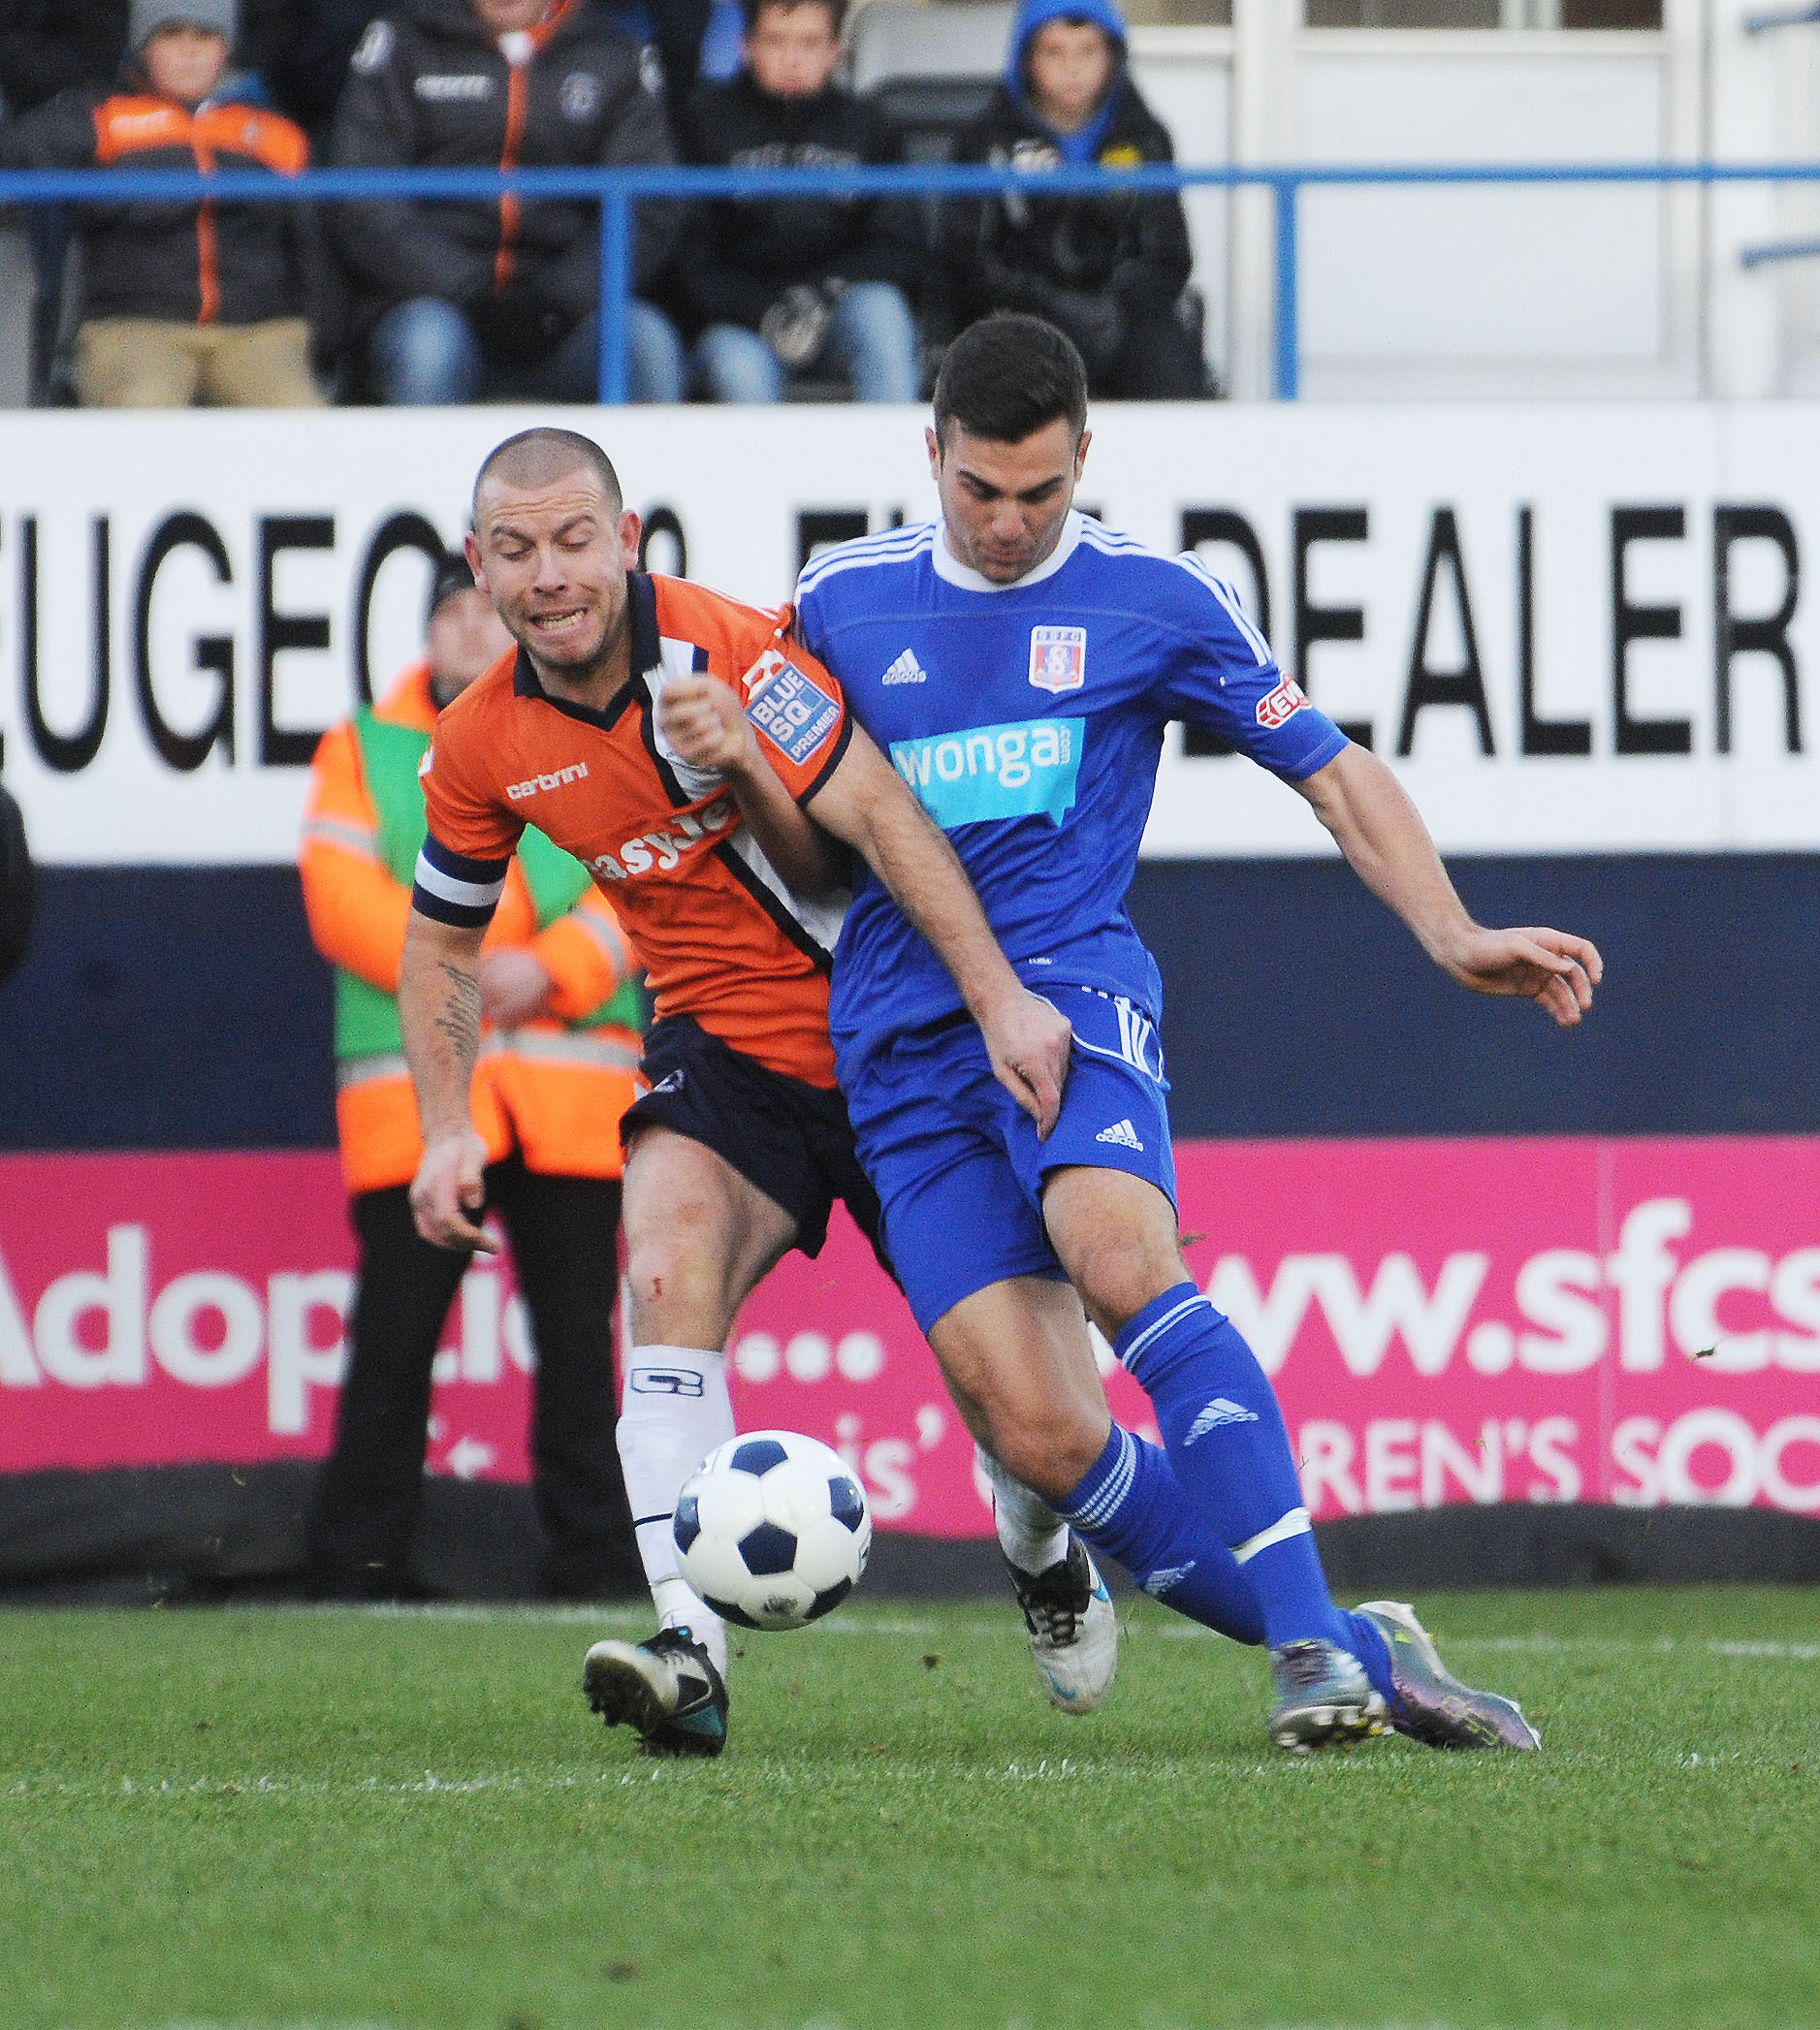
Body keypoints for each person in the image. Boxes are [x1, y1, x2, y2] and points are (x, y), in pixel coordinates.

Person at [789, 314, 1605, 1753]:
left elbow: (1331, 771)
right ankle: (1366, 1646)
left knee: (1122, 1262)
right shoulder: (836, 604)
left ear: (1084, 458)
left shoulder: (1154, 597)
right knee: (1041, 1436)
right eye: (978, 489)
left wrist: (1451, 929)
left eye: (1040, 491)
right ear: (930, 453)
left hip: (1072, 990)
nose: (1006, 522)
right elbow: (801, 848)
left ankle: (1305, 1650)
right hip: (902, 1049)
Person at [403, 426, 1078, 1753]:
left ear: (627, 539)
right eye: (517, 551)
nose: (549, 576)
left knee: (1032, 1417)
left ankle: (1039, 1544)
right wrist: (442, 1128)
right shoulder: (480, 739)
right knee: (661, 1270)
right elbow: (441, 942)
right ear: (479, 565)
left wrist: (996, 999)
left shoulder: (734, 650)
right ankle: (689, 1654)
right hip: (723, 1049)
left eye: (574, 540)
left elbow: (872, 832)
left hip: (893, 1045)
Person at [300, 551, 646, 1600]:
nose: (468, 627)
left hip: (569, 1103)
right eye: (448, 612)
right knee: (394, 1338)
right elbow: (337, 896)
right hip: (419, 1109)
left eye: (481, 609)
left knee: (581, 1345)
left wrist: (554, 966)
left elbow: (639, 882)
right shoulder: (363, 746)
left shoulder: (599, 730)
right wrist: (466, 961)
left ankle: (596, 1559)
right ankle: (356, 1562)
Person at [329, 0, 686, 404]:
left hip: (570, 316)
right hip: (435, 303)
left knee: (645, 344)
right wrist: (466, 289)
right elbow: (362, 194)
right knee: (427, 347)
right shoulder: (403, 41)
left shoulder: (615, 51)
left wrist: (560, 300)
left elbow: (649, 206)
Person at [0, 0, 324, 409]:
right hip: (133, 328)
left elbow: (312, 244)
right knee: (145, 408)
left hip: (257, 330)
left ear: (226, 49)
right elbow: (16, 153)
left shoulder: (275, 131)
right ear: (143, 47)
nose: (189, 52)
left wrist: (321, 330)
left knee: (300, 417)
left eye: (205, 37)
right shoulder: (101, 116)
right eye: (171, 35)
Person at [944, 0, 1205, 401]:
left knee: (1168, 364)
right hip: (1019, 321)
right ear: (1025, 59)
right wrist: (1054, 305)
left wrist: (1113, 306)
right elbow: (967, 262)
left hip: (1125, 317)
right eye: (1054, 52)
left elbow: (1170, 254)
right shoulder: (984, 141)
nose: (1073, 68)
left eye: (1088, 51)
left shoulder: (1146, 137)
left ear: (1113, 57)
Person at [669, 0, 922, 403]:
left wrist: (820, 295)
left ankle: (897, 449)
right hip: (741, 328)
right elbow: (687, 257)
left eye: (809, 43)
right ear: (746, 46)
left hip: (837, 312)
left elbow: (898, 245)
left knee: (882, 311)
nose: (792, 59)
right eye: (776, 41)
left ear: (835, 50)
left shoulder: (869, 126)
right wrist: (763, 311)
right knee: (739, 368)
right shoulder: (701, 123)